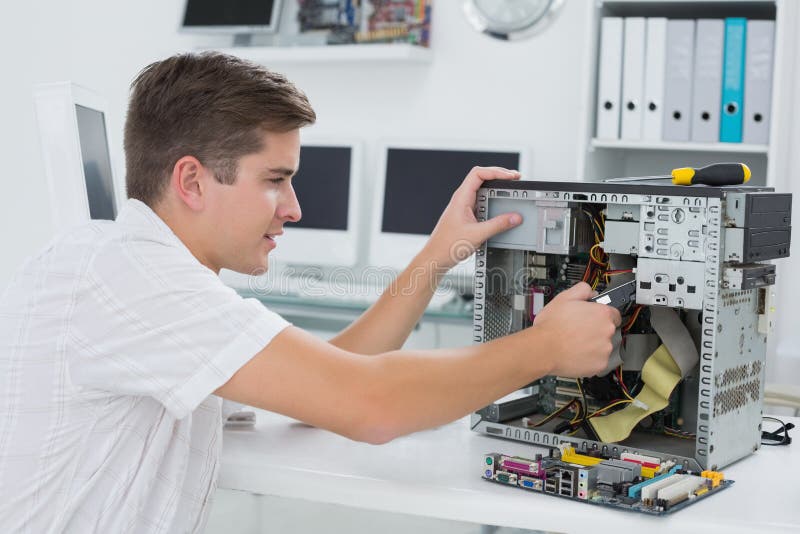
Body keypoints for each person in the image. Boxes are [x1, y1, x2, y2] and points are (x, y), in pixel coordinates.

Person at [0, 52, 619, 533]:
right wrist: (544, 349)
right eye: (276, 181)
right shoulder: (129, 279)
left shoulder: (148, 279)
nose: (294, 208)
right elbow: (369, 404)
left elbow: (331, 379)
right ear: (191, 180)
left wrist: (439, 253)